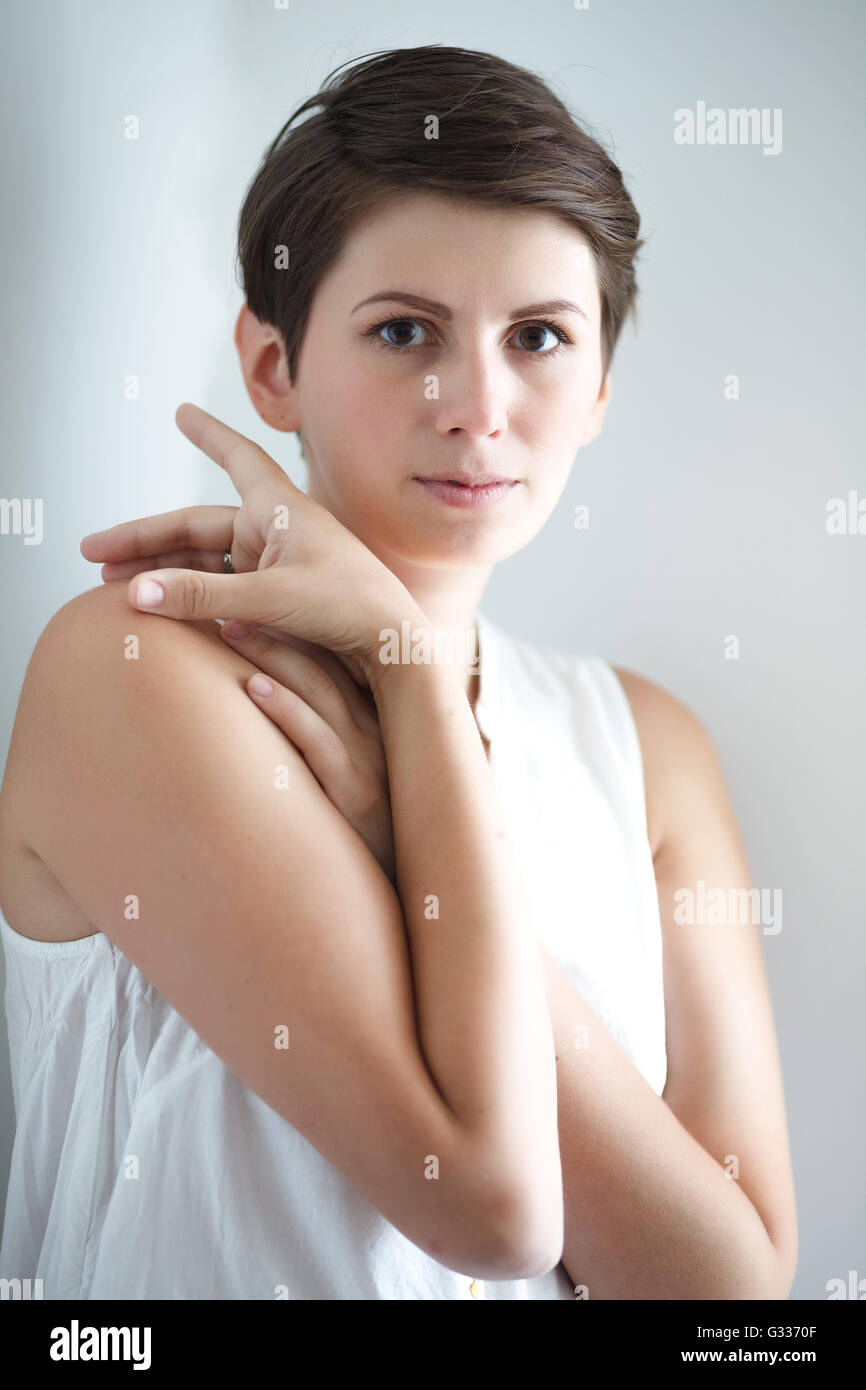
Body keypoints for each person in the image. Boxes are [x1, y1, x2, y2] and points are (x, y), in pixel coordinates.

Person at [0, 44, 797, 1299]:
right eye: (404, 329)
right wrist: (416, 690)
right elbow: (489, 1207)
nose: (476, 404)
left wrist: (411, 805)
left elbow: (730, 1301)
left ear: (595, 386)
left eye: (537, 335)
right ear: (273, 367)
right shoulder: (138, 667)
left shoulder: (651, 753)